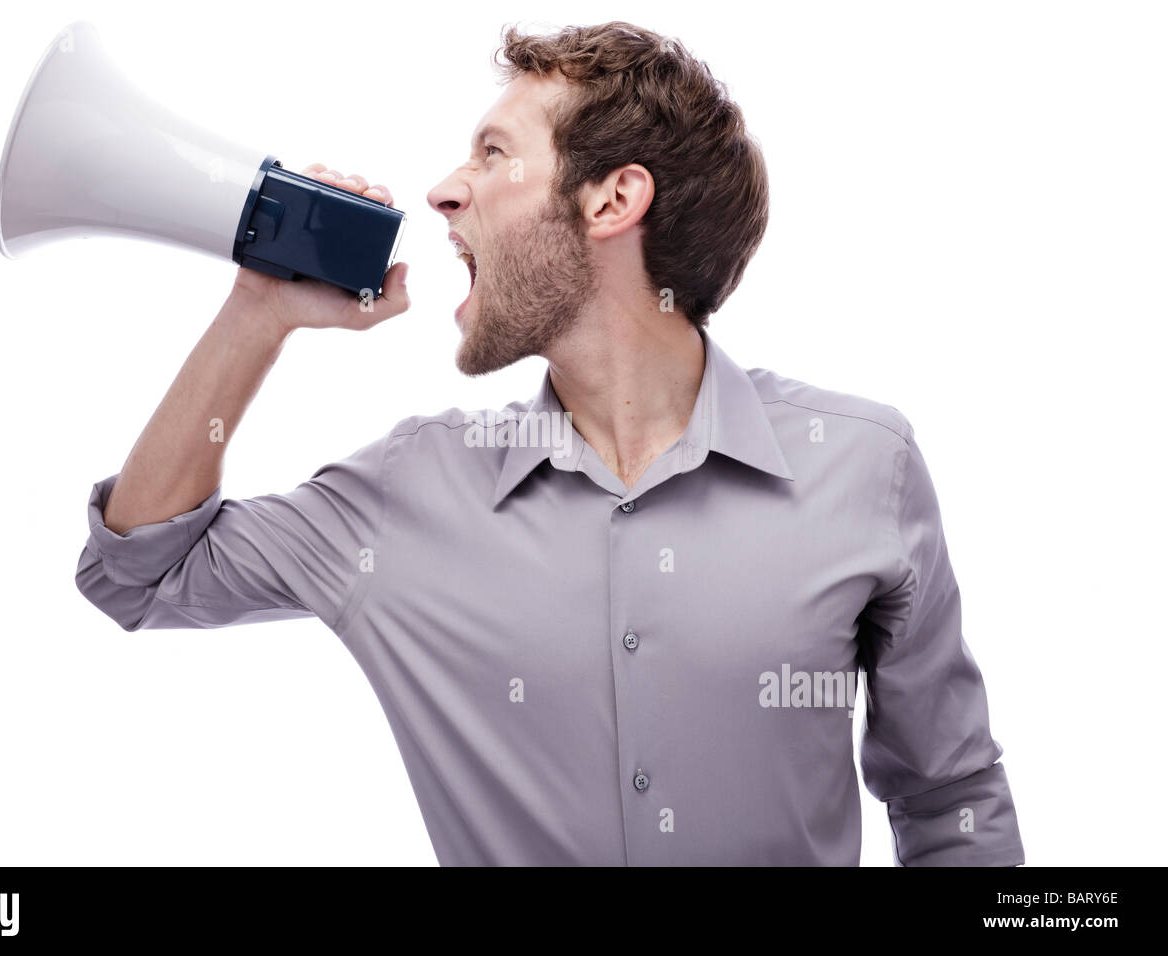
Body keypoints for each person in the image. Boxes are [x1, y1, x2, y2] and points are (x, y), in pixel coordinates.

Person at [76, 21, 1024, 866]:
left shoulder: (863, 468)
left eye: (493, 154)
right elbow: (139, 573)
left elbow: (949, 801)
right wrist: (259, 313)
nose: (444, 192)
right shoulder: (411, 492)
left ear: (612, 201)